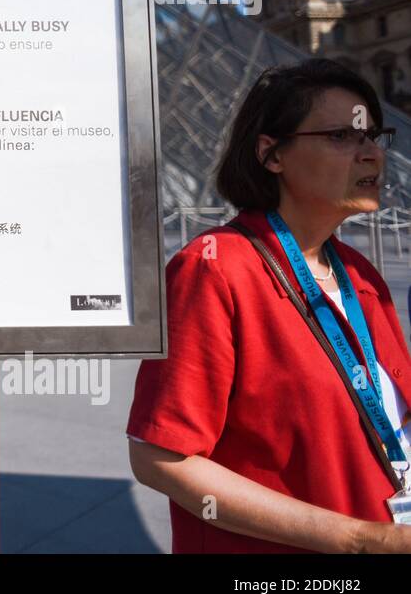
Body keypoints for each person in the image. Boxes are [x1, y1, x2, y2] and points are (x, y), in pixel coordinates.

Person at [128, 59, 411, 553]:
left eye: (374, 136)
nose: (371, 155)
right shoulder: (214, 269)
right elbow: (160, 457)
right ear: (272, 154)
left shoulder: (361, 274)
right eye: (343, 136)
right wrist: (359, 539)